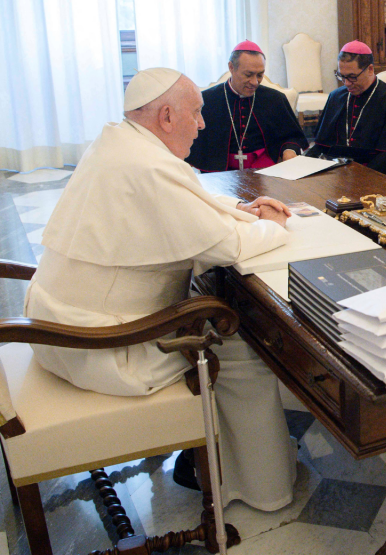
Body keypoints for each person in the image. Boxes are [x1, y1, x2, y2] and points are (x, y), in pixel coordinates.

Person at [26, 67, 299, 511]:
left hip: (56, 326)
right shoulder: (147, 165)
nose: (203, 124)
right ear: (167, 116)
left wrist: (242, 208)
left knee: (220, 318)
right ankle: (255, 486)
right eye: (196, 113)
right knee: (243, 349)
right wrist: (272, 225)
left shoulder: (119, 142)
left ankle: (213, 456)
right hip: (102, 346)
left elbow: (184, 197)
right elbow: (225, 246)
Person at [305, 40, 386, 181]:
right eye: (342, 76)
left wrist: (360, 177)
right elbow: (321, 144)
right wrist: (303, 163)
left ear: (370, 70)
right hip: (337, 172)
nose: (347, 83)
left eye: (352, 77)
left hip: (379, 174)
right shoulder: (335, 97)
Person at [186, 40, 308, 172]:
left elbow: (292, 136)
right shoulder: (206, 100)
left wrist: (289, 150)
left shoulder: (275, 99)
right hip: (219, 172)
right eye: (248, 75)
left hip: (266, 171)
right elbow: (191, 140)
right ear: (231, 67)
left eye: (260, 75)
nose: (255, 82)